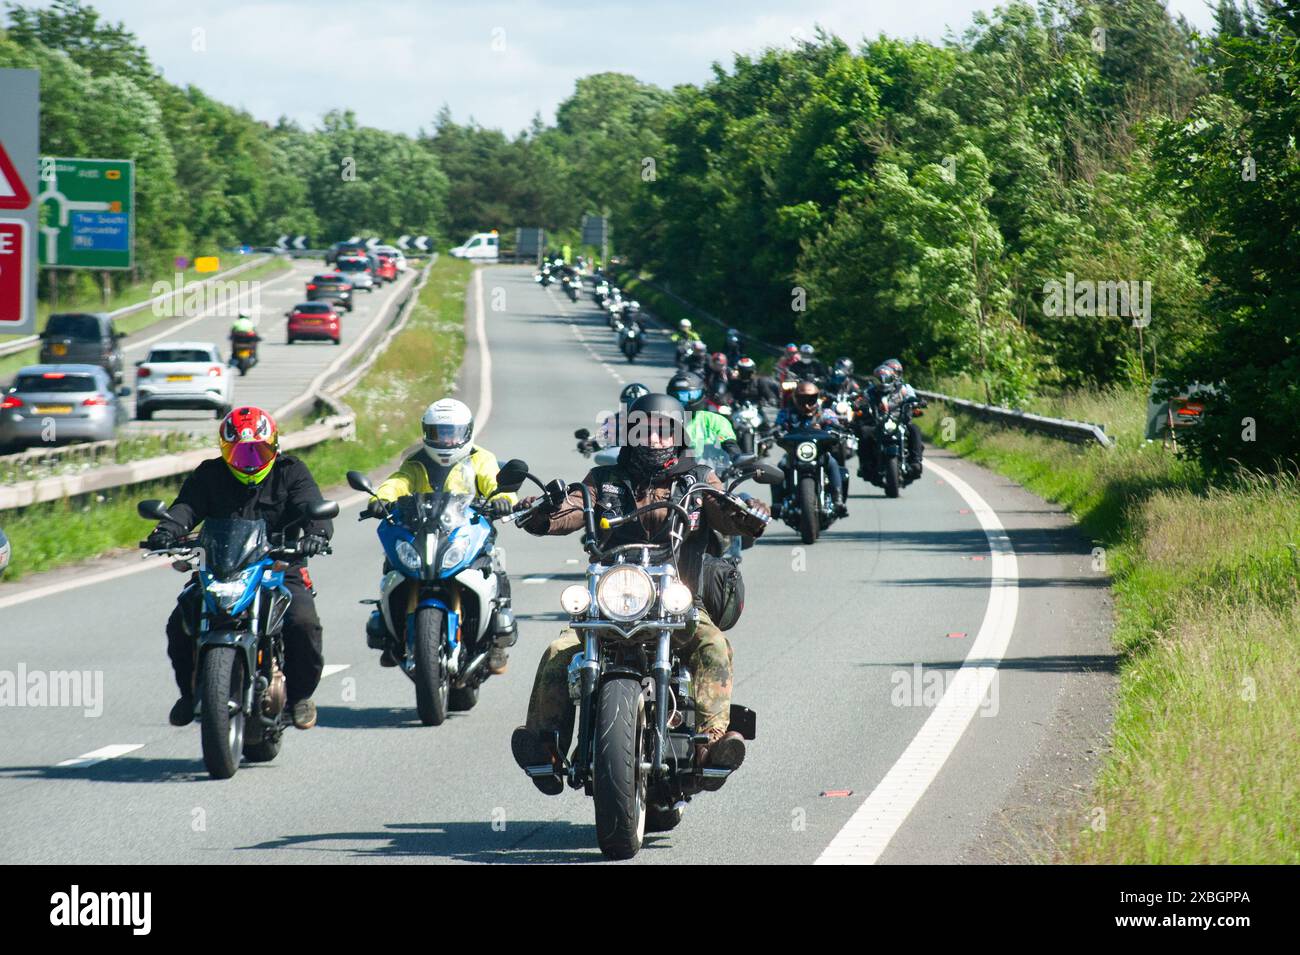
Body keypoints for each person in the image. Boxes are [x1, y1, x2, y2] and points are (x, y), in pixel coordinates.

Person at [509, 392, 771, 794]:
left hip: (677, 602)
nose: (654, 440)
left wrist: (747, 509)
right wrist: (542, 512)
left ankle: (711, 745)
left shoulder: (696, 479)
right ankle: (546, 746)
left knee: (713, 646)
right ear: (631, 436)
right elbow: (573, 508)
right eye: (646, 431)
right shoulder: (605, 481)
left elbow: (725, 510)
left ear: (678, 437)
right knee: (559, 652)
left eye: (664, 432)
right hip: (610, 603)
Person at [144, 407, 333, 730]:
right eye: (239, 452)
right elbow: (186, 508)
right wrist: (166, 531)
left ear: (273, 447)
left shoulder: (292, 471)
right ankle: (190, 694)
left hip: (278, 563)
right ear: (224, 450)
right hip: (221, 565)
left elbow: (312, 506)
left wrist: (316, 534)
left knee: (303, 621)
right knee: (180, 622)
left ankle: (300, 696)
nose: (249, 460)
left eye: (257, 451)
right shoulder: (209, 474)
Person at [370, 398, 518, 673]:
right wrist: (382, 498)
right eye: (440, 433)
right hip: (422, 531)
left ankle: (498, 641)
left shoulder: (480, 458)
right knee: (392, 565)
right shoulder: (416, 462)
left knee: (494, 567)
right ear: (427, 433)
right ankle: (391, 635)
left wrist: (504, 499)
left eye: (452, 433)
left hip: (465, 531)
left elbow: (494, 481)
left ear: (466, 432)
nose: (447, 441)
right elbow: (397, 482)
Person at [772, 381, 849, 517]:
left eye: (811, 399)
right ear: (795, 399)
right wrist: (776, 431)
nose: (807, 403)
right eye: (802, 399)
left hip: (819, 452)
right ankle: (777, 503)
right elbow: (778, 425)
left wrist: (838, 429)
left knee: (832, 463)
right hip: (795, 452)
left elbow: (834, 423)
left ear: (816, 398)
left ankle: (838, 500)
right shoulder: (787, 413)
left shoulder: (824, 412)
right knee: (780, 467)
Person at [666, 370, 742, 461]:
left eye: (690, 396)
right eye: (678, 397)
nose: (685, 402)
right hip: (674, 471)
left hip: (712, 471)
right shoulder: (664, 422)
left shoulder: (715, 420)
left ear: (702, 394)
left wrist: (736, 458)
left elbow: (730, 445)